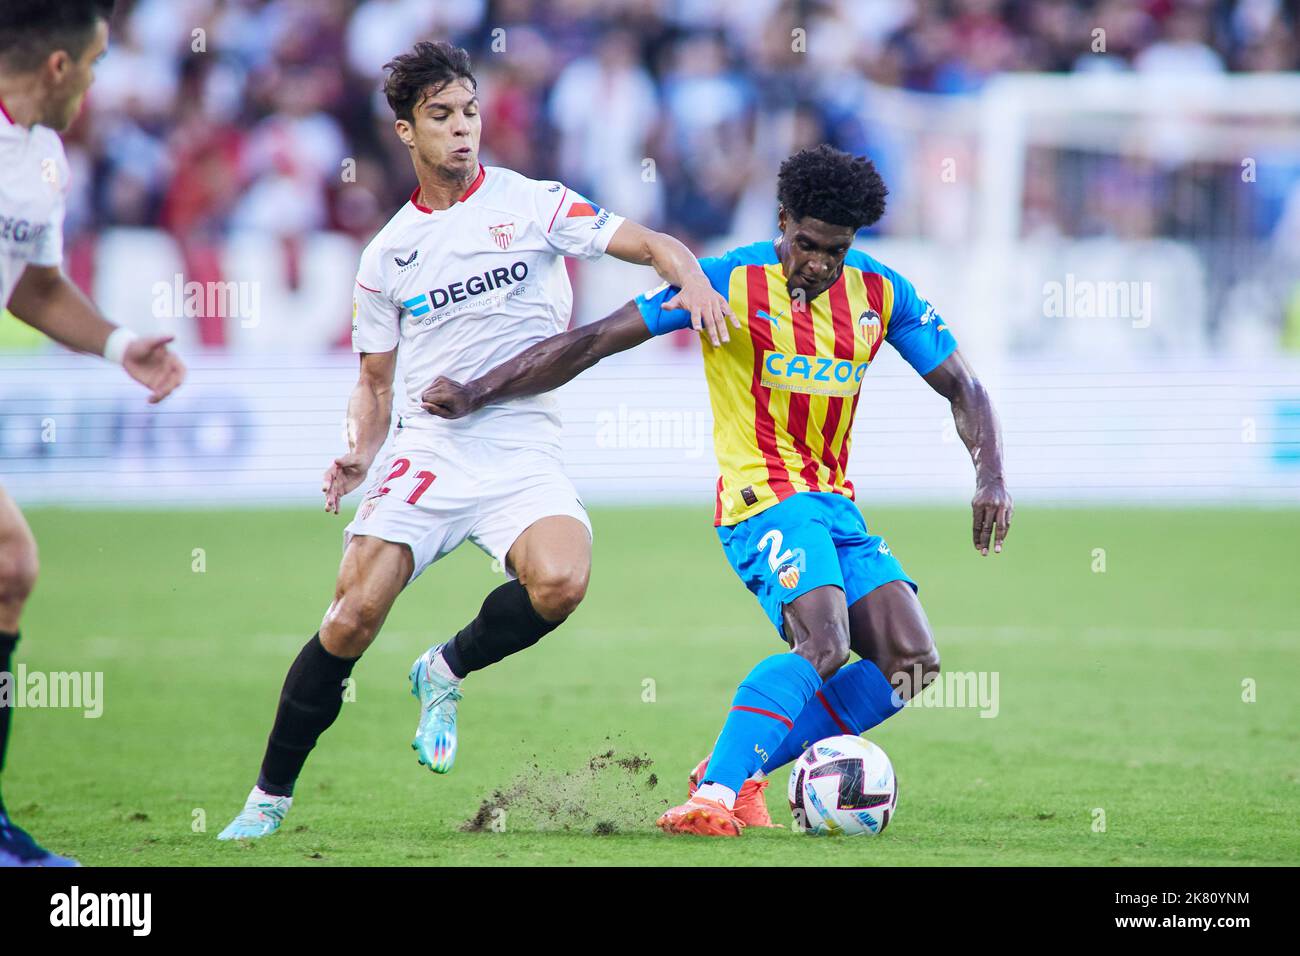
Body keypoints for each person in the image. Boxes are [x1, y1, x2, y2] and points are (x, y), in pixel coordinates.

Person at [419, 144, 1014, 836]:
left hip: (833, 505)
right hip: (762, 501)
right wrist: (477, 390)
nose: (819, 265)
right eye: (808, 244)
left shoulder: (883, 293)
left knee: (910, 663)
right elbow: (595, 340)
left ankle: (735, 767)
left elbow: (965, 387)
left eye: (837, 251)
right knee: (824, 644)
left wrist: (991, 475)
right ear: (783, 220)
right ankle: (713, 797)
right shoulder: (725, 282)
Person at [217, 41, 731, 840]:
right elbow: (375, 384)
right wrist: (359, 449)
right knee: (352, 617)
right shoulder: (387, 256)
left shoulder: (535, 204)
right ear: (406, 132)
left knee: (561, 582)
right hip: (429, 448)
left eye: (469, 112)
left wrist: (691, 278)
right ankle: (267, 800)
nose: (462, 128)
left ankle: (444, 668)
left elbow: (655, 246)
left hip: (522, 444)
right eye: (441, 116)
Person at [0, 0, 186, 866]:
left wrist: (118, 345)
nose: (99, 79)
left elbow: (32, 286)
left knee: (8, 567)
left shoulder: (42, 160)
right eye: (97, 61)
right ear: (59, 66)